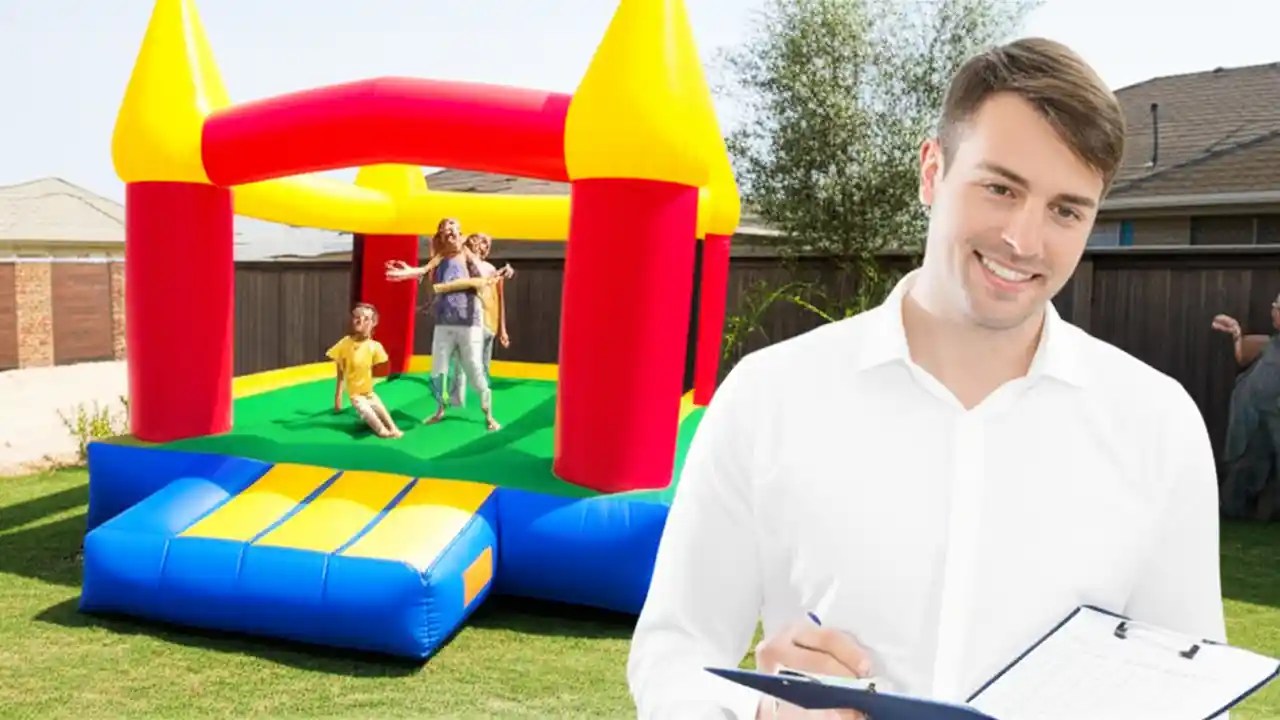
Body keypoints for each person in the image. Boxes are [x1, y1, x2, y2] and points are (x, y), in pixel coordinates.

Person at [627, 38, 1227, 720]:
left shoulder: (1157, 425)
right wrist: (761, 715)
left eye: (1066, 210)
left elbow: (1190, 698)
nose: (1024, 241)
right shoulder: (769, 397)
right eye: (1000, 188)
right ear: (931, 172)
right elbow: (671, 655)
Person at [385, 218, 504, 430]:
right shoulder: (440, 258)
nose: (449, 234)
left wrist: (446, 287)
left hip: (469, 324)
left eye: (452, 230)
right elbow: (421, 271)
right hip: (444, 324)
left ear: (460, 233)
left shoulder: (468, 257)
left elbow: (480, 282)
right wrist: (404, 273)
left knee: (475, 370)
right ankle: (440, 410)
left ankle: (489, 416)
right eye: (444, 231)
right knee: (438, 371)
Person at [1213, 299, 1280, 519]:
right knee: (1245, 466)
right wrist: (1235, 331)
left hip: (1274, 420)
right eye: (1273, 305)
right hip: (1252, 422)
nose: (1273, 309)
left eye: (1278, 307)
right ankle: (1233, 509)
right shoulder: (1271, 344)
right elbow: (1242, 354)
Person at [447, 232, 513, 407]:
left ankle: (483, 402)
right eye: (483, 243)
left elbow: (500, 298)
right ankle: (456, 401)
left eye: (488, 244)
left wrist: (502, 329)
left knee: (483, 365)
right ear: (474, 243)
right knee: (461, 362)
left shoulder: (490, 268)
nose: (486, 247)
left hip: (488, 322)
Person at [326, 302, 402, 439]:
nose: (360, 320)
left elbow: (382, 368)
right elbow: (340, 371)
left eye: (366, 318)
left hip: (368, 391)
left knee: (379, 406)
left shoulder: (374, 346)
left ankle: (393, 427)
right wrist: (338, 396)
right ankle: (382, 431)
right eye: (357, 317)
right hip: (355, 394)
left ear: (373, 323)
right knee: (365, 410)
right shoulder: (345, 343)